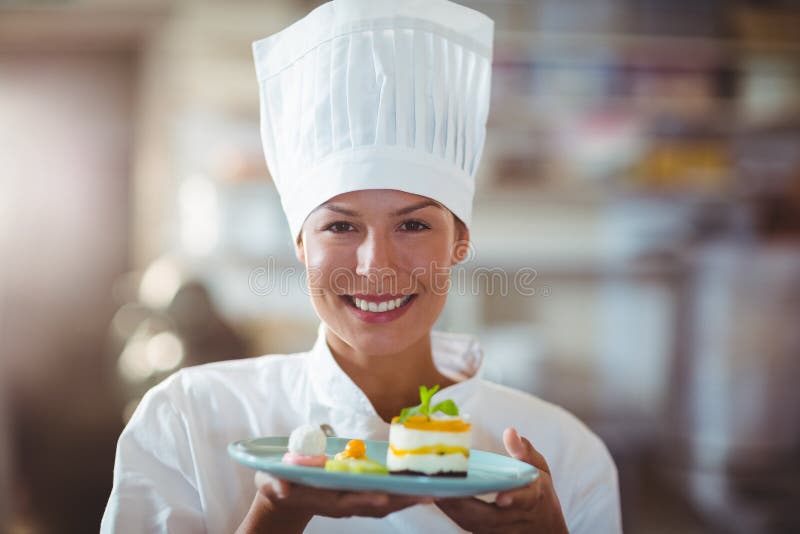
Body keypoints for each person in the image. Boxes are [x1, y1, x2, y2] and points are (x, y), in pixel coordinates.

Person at [101, 1, 622, 532]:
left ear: (460, 240)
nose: (376, 267)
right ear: (300, 243)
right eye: (341, 226)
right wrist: (275, 517)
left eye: (413, 226)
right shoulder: (188, 420)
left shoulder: (566, 453)